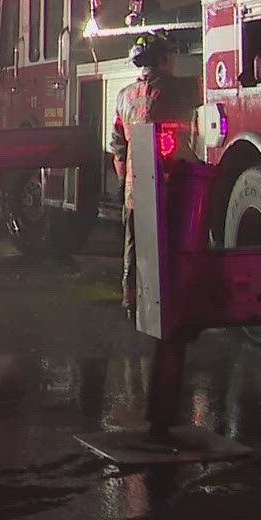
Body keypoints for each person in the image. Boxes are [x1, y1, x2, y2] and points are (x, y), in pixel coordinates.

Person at [109, 33, 194, 312]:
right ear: (163, 60)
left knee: (134, 246)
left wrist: (123, 184)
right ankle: (171, 302)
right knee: (172, 243)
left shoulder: (123, 97)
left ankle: (131, 301)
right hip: (172, 184)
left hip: (136, 188)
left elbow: (118, 148)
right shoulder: (178, 90)